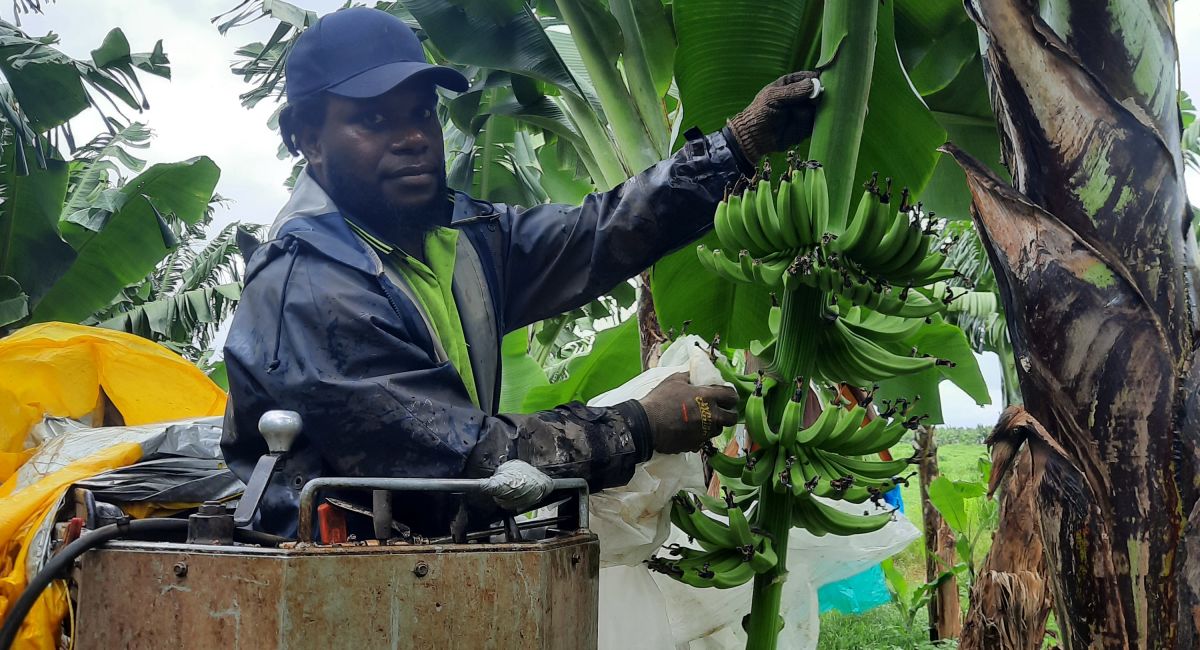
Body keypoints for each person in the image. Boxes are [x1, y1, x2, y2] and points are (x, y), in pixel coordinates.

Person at [221, 7, 820, 538]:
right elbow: (458, 460)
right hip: (324, 581)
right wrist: (639, 424)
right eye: (374, 122)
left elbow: (594, 234)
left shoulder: (459, 237)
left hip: (424, 562)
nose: (412, 139)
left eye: (422, 114)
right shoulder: (307, 287)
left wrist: (734, 149)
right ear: (309, 141)